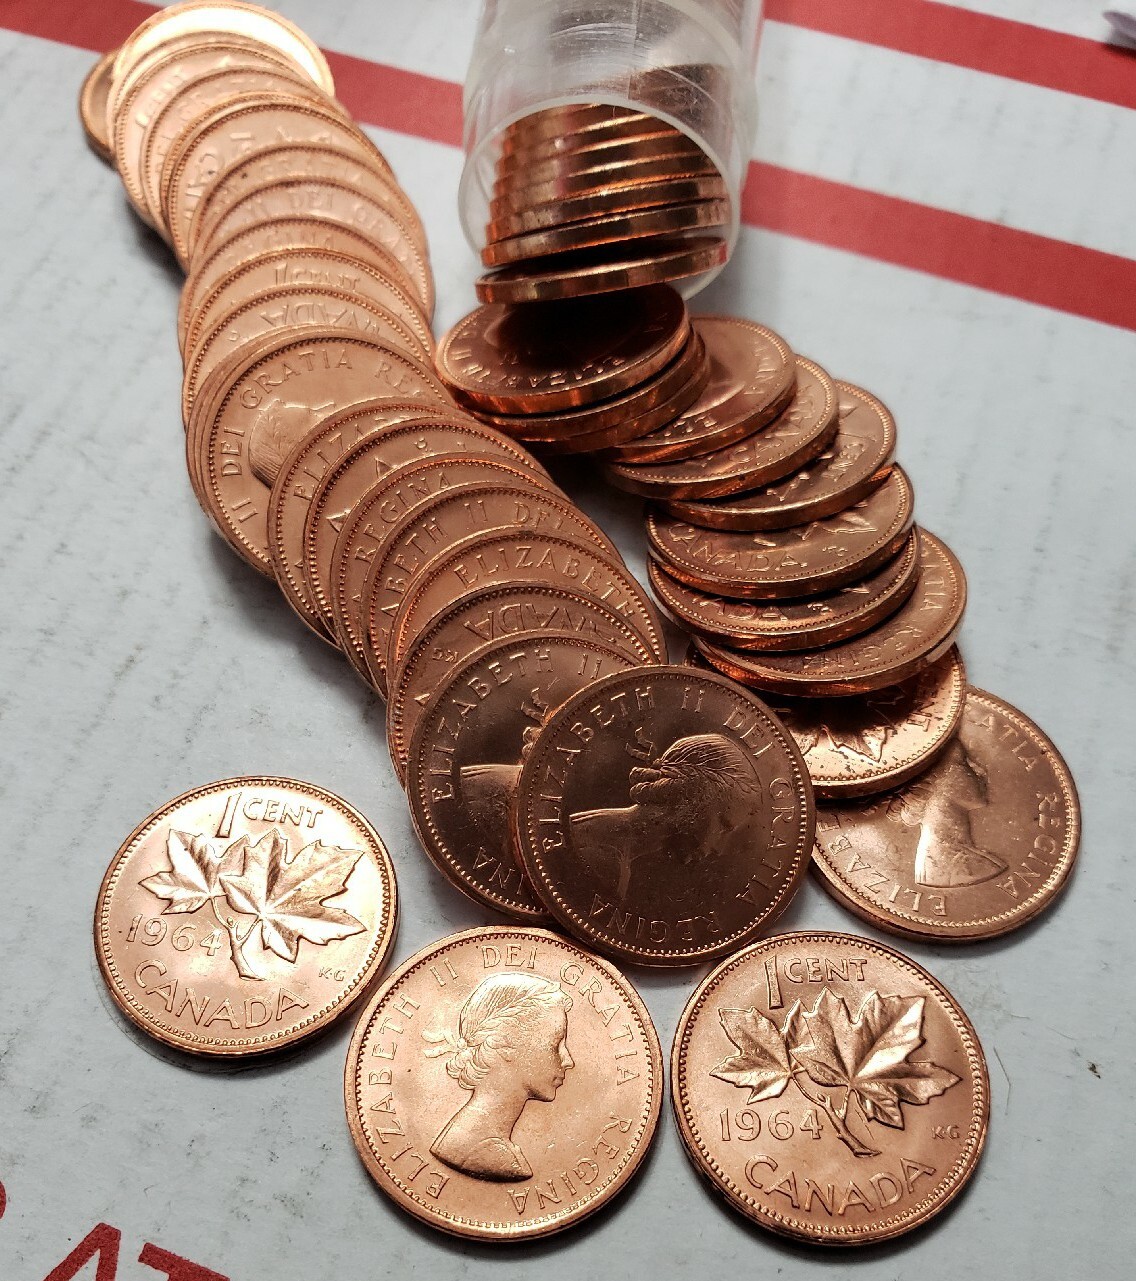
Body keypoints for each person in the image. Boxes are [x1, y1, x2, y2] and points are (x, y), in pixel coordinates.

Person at [569, 733, 765, 899]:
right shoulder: (597, 853)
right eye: (723, 826)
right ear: (692, 794)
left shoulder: (617, 859)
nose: (719, 848)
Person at [424, 973, 574, 1181]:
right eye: (554, 1044)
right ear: (504, 1044)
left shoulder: (474, 1138)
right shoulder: (483, 1150)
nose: (568, 1061)